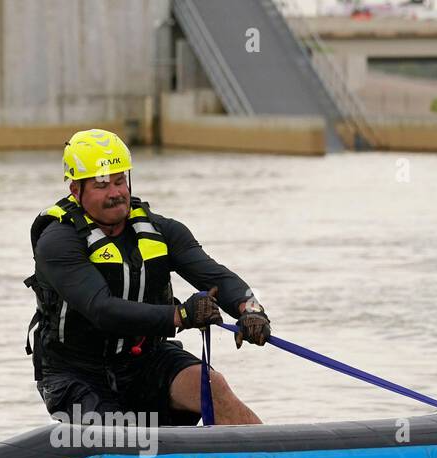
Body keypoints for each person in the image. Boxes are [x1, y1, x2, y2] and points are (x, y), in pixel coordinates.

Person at [26, 129, 271, 428]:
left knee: (212, 385)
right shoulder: (56, 242)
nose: (115, 192)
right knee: (121, 437)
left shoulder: (162, 230)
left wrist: (251, 309)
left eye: (120, 181)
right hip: (77, 373)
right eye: (102, 185)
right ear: (76, 190)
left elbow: (215, 275)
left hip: (145, 359)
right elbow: (102, 309)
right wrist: (181, 315)